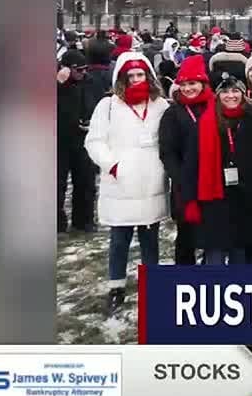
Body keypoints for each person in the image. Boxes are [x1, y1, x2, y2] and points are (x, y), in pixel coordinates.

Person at [85, 52, 170, 315]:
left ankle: (152, 284)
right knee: (120, 238)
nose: (135, 80)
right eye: (130, 76)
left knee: (150, 238)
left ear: (148, 75)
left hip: (150, 181)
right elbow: (94, 140)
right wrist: (112, 164)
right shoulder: (108, 105)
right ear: (122, 78)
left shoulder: (160, 105)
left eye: (140, 74)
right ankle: (116, 286)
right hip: (121, 182)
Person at [187, 71, 252, 266]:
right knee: (215, 252)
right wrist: (191, 199)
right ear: (217, 95)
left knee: (241, 250)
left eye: (236, 91)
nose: (231, 95)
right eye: (225, 91)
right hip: (215, 196)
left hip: (244, 196)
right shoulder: (205, 123)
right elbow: (192, 163)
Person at [158, 55, 214, 266]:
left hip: (213, 182)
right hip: (186, 185)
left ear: (203, 83)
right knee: (186, 237)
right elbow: (167, 151)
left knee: (213, 235)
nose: (189, 88)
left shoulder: (213, 106)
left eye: (193, 83)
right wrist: (180, 178)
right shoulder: (173, 113)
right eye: (184, 84)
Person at [57, 49, 96, 233]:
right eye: (79, 69)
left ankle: (84, 220)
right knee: (57, 184)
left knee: (86, 182)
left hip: (83, 140)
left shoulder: (89, 82)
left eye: (85, 69)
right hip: (59, 142)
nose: (83, 73)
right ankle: (57, 222)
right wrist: (58, 83)